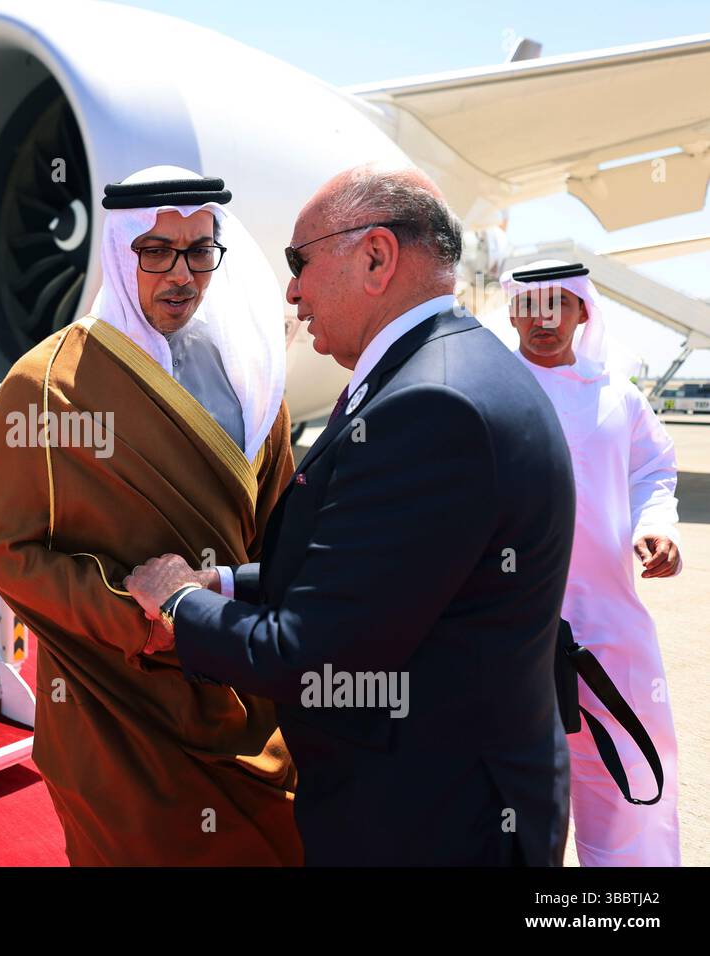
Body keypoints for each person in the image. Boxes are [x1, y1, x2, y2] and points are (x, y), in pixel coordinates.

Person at [126, 163, 576, 866]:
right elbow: (380, 573)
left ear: (375, 258)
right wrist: (230, 586)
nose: (293, 291)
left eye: (300, 262)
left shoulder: (432, 407)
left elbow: (312, 655)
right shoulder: (445, 371)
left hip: (431, 825)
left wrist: (178, 602)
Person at [0, 167, 301, 866]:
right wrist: (138, 610)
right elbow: (9, 552)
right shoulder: (46, 387)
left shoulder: (252, 372)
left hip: (244, 693)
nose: (181, 273)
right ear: (121, 250)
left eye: (198, 250)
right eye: (156, 250)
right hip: (116, 709)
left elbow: (283, 534)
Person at [502, 259, 681, 866]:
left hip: (609, 631)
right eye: (531, 305)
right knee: (512, 799)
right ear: (512, 311)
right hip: (512, 631)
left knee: (630, 784)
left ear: (584, 311)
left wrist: (656, 527)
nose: (544, 320)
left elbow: (653, 469)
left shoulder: (619, 397)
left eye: (559, 305)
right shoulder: (488, 392)